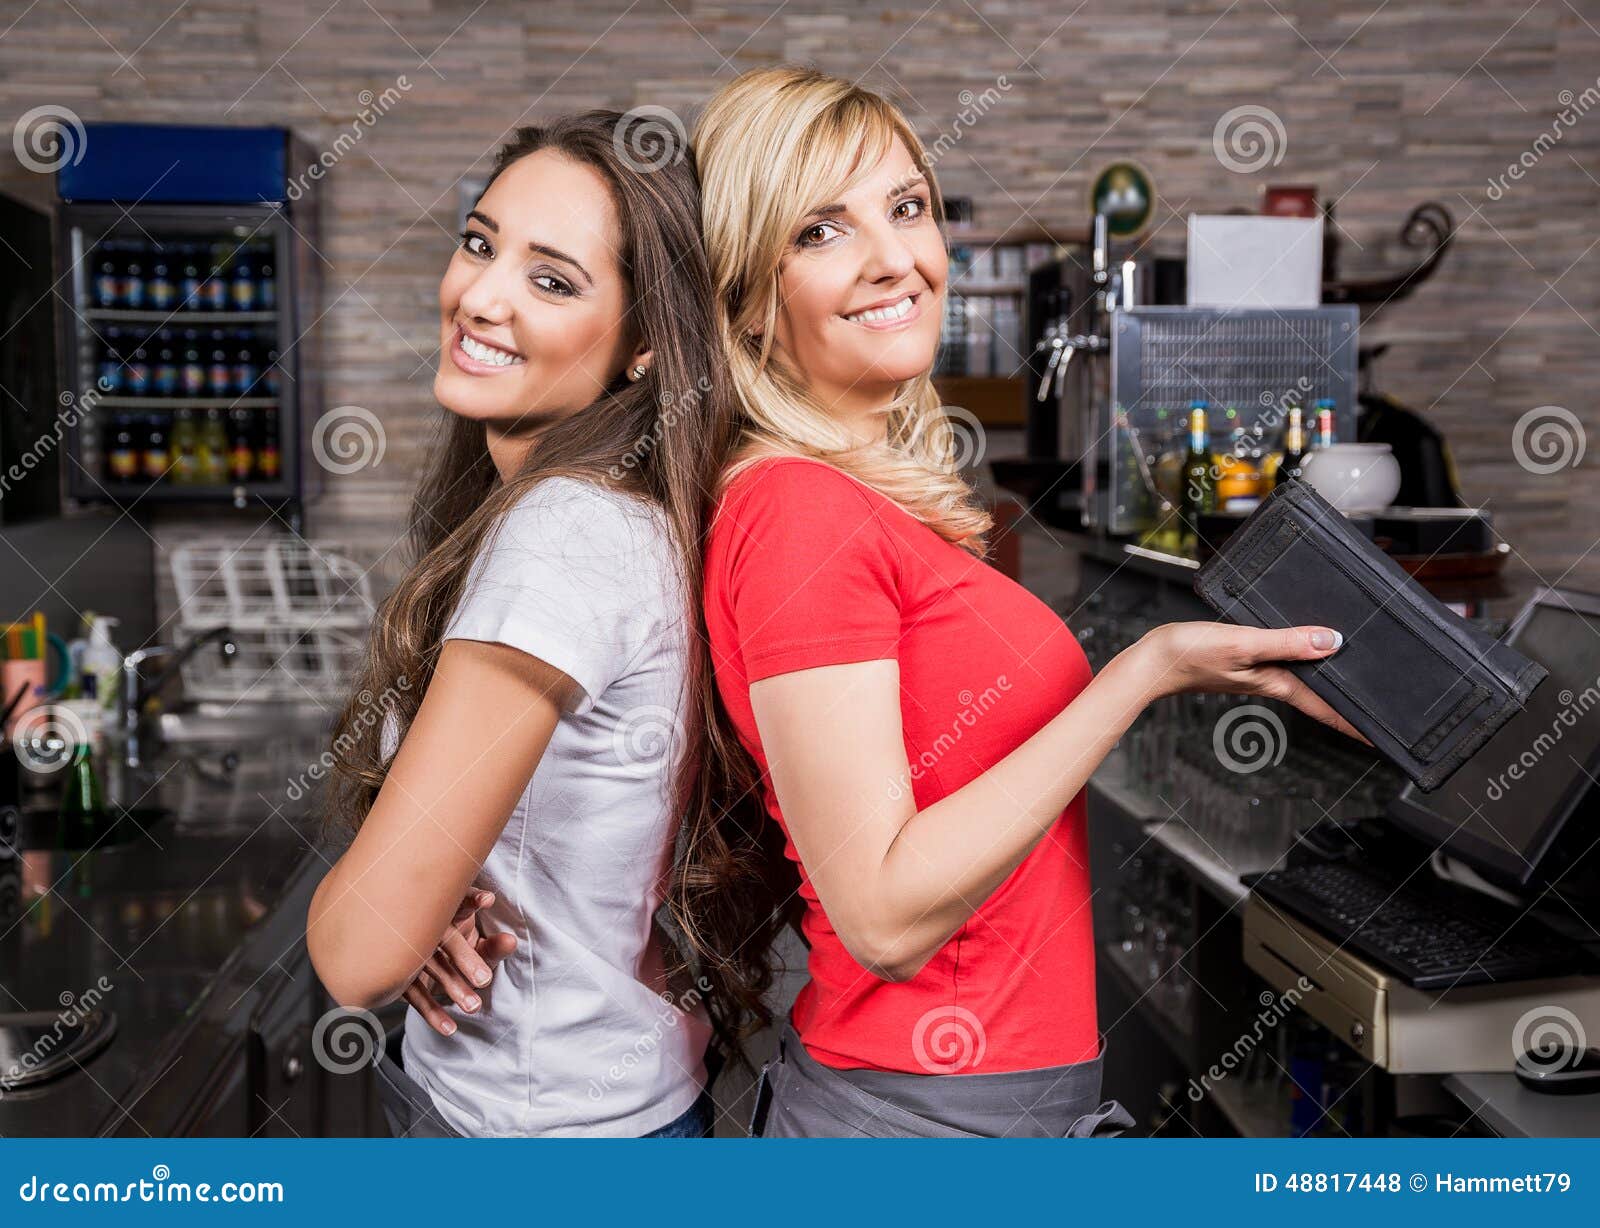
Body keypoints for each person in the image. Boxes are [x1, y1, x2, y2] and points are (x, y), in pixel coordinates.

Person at [678, 66, 1364, 1138]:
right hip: (916, 1123)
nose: (892, 258)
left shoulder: (867, 502)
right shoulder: (796, 515)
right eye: (820, 231)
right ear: (749, 299)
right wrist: (1141, 672)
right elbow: (886, 916)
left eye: (907, 208)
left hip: (979, 1105)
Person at [306, 111, 739, 1138]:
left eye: (552, 280)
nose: (481, 296)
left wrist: (392, 909)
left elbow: (354, 954)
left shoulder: (562, 535)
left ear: (643, 345)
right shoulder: (608, 513)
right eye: (478, 241)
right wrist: (428, 881)